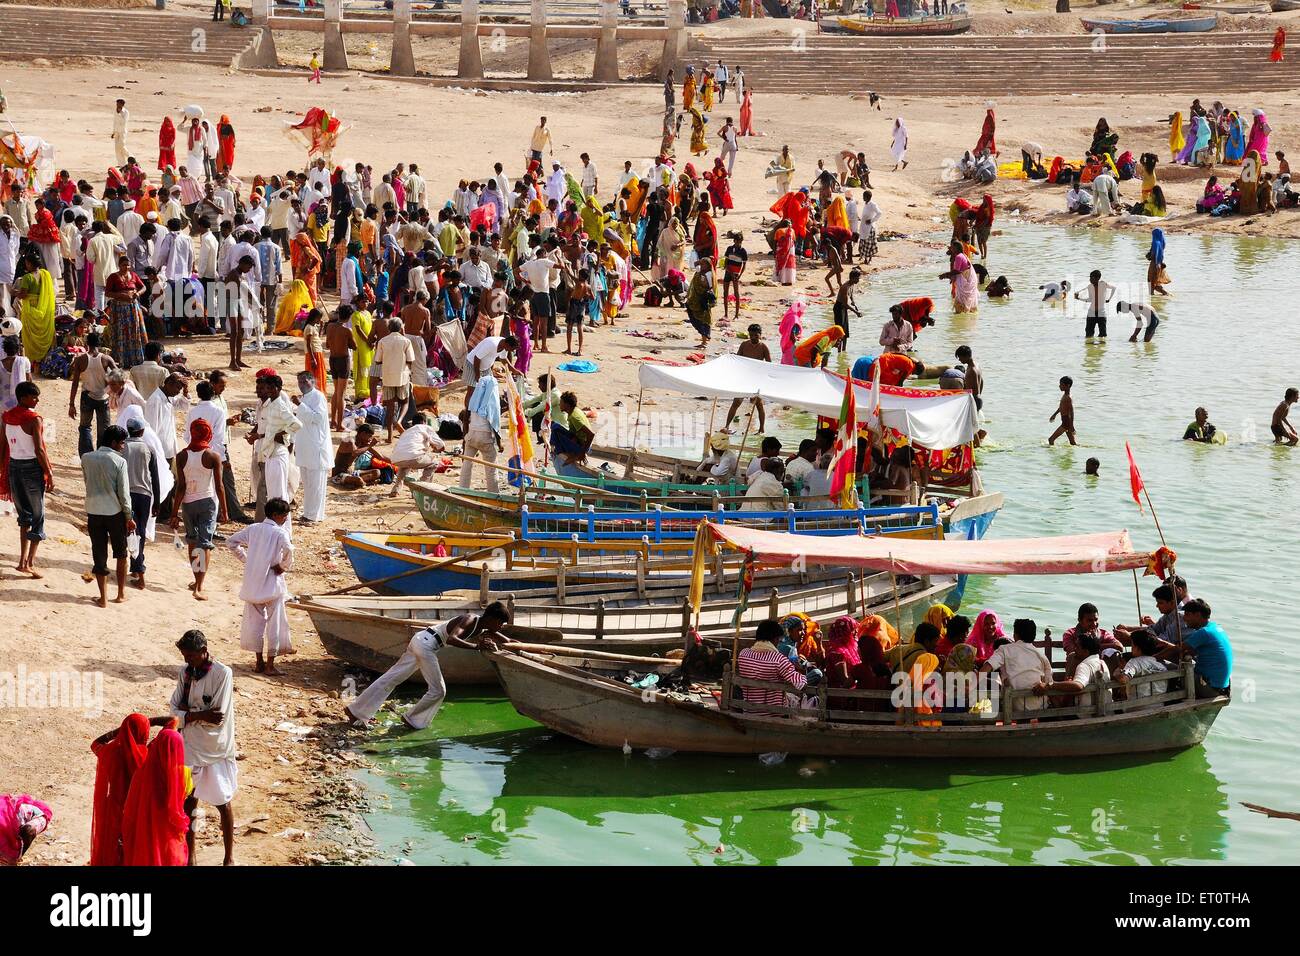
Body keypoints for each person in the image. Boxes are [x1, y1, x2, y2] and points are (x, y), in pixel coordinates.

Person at [345, 602, 512, 729]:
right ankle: (412, 720)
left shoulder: (483, 627)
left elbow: (508, 641)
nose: (501, 627)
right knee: (439, 690)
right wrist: (477, 647)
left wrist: (517, 646)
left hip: (421, 640)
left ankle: (356, 712)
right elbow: (452, 639)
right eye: (500, 623)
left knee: (390, 679)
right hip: (426, 645)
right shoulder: (469, 619)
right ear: (492, 619)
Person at [153, 629, 237, 865]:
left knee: (222, 802)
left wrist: (188, 715)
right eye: (184, 656)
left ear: (204, 651)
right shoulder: (186, 673)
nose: (186, 660)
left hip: (214, 747)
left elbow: (217, 715)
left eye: (190, 656)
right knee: (189, 801)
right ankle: (191, 857)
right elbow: (174, 711)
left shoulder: (222, 674)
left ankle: (228, 857)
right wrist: (198, 715)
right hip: (190, 745)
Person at [227, 497, 295, 676]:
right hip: (272, 586)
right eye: (284, 515)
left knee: (255, 625)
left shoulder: (253, 528)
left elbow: (231, 542)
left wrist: (247, 560)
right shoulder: (280, 533)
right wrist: (282, 566)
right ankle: (270, 665)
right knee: (275, 625)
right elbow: (289, 551)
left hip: (253, 586)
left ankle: (259, 662)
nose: (286, 519)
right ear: (276, 515)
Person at [0, 381, 53, 578]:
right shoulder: (34, 419)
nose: (37, 400)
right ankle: (29, 562)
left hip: (13, 467)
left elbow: (2, 444)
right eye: (33, 397)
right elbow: (39, 450)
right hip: (31, 469)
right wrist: (49, 473)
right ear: (23, 398)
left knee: (24, 517)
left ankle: (22, 560)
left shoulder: (7, 417)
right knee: (38, 516)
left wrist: (2, 470)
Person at [172, 418, 228, 600]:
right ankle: (199, 585)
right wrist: (225, 511)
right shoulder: (213, 456)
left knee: (193, 542)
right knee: (205, 544)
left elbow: (180, 487)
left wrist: (174, 513)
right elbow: (219, 486)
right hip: (207, 502)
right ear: (208, 434)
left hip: (188, 503)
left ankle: (195, 580)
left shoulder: (181, 456)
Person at [82, 424, 136, 607]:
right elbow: (124, 493)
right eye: (121, 443)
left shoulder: (87, 458)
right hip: (115, 513)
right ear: (113, 443)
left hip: (94, 511)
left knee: (99, 555)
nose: (123, 447)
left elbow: (87, 482)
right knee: (121, 554)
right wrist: (129, 516)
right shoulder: (119, 461)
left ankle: (103, 598)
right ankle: (120, 594)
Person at [88, 713, 151, 865]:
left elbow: (95, 743)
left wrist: (121, 731)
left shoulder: (110, 752)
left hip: (114, 806)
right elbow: (171, 725)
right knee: (132, 845)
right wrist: (155, 721)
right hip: (136, 808)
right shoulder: (146, 754)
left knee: (113, 845)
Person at [980, 618, 1053, 715]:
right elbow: (1049, 683)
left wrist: (970, 684)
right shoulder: (1042, 656)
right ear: (1033, 636)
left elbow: (988, 667)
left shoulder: (1004, 650)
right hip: (1041, 709)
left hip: (1015, 711)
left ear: (1015, 635)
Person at [737, 619, 809, 713]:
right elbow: (801, 684)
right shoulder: (779, 660)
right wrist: (801, 671)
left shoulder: (743, 654)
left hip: (749, 710)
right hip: (773, 713)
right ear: (776, 639)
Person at [122, 416, 160, 589]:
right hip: (144, 495)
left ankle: (136, 567)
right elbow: (155, 478)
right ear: (142, 431)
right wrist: (157, 502)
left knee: (129, 531)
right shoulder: (148, 448)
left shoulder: (121, 447)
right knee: (141, 532)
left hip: (126, 494)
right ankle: (137, 567)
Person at [68, 332, 117, 457]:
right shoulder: (107, 359)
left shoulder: (80, 360)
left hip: (87, 397)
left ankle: (87, 456)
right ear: (99, 343)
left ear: (86, 343)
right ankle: (102, 455)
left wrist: (71, 404)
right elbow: (119, 377)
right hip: (103, 398)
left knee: (85, 427)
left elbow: (74, 384)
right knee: (104, 429)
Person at [291, 370, 331, 523]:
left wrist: (300, 405)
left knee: (316, 484)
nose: (301, 385)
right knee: (307, 484)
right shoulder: (304, 398)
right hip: (305, 447)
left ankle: (314, 516)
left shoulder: (318, 397)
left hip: (316, 447)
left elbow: (318, 418)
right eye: (299, 382)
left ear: (312, 381)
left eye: (304, 381)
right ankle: (308, 513)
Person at [1033, 632, 1109, 708]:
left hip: (1086, 715)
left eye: (1077, 647)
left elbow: (1078, 686)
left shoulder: (1085, 665)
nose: (1074, 649)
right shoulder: (1102, 663)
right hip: (1106, 710)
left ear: (1086, 651)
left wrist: (1049, 685)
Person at [1179, 598, 1232, 698]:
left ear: (1198, 615)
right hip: (1221, 686)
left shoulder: (1204, 632)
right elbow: (1189, 650)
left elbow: (1177, 649)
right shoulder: (1215, 627)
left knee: (1173, 675)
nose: (1184, 618)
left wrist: (1157, 655)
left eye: (1187, 614)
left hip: (1210, 688)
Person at [723, 324, 770, 431]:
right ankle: (726, 426)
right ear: (749, 334)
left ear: (760, 335)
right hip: (744, 379)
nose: (753, 337)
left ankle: (761, 428)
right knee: (736, 402)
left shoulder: (763, 347)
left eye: (756, 335)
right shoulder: (744, 345)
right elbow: (738, 360)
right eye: (751, 335)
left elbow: (769, 365)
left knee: (759, 404)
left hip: (756, 379)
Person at [388, 412, 446, 495]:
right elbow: (441, 446)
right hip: (413, 456)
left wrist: (431, 444)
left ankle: (395, 490)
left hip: (396, 458)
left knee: (404, 466)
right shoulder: (424, 427)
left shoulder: (407, 431)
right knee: (434, 463)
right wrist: (437, 448)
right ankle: (422, 490)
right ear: (423, 421)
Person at [1114, 629, 1170, 701]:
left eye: (1132, 645)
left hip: (1138, 708)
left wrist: (1117, 672)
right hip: (1158, 705)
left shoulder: (1134, 662)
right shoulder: (1161, 665)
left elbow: (1123, 679)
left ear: (1137, 648)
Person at [0, 793, 52, 865]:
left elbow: (29, 832)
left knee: (28, 831)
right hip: (15, 821)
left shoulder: (4, 823)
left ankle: (19, 857)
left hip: (38, 817)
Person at [721, 232, 747, 319]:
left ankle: (736, 315)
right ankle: (726, 314)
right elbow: (726, 263)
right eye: (737, 242)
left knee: (736, 294)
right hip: (728, 273)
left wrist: (739, 275)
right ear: (734, 241)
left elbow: (744, 266)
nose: (739, 244)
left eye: (740, 242)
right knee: (725, 293)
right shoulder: (729, 249)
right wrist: (731, 272)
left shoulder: (743, 251)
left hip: (736, 274)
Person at [1048, 376, 1076, 446]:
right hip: (1066, 423)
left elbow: (1071, 412)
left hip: (1066, 424)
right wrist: (1054, 414)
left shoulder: (1068, 398)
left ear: (1068, 385)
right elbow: (1061, 407)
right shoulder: (1065, 395)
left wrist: (1072, 426)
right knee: (1073, 443)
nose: (1059, 386)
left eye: (1061, 384)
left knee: (1051, 439)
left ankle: (1052, 455)